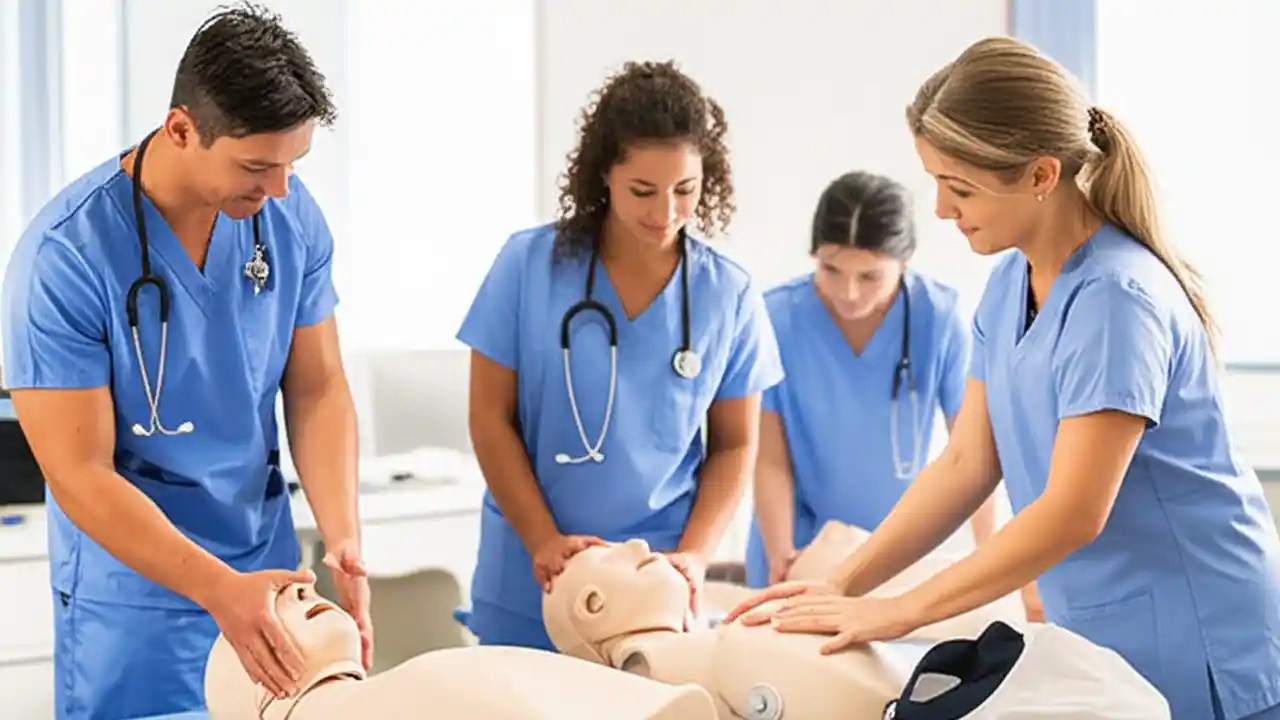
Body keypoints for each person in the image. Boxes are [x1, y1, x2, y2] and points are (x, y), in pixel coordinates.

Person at [723, 36, 1280, 720]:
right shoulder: (1007, 285)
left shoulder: (1116, 299)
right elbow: (965, 462)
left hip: (1198, 632)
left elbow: (1074, 510)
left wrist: (898, 613)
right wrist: (841, 585)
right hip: (1106, 632)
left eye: (958, 187)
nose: (940, 210)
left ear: (1042, 175)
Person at [0, 6, 372, 718]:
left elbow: (319, 387)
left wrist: (343, 536)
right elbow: (77, 473)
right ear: (180, 130)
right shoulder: (64, 257)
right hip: (139, 600)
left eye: (292, 165)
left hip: (266, 572)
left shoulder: (287, 217)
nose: (280, 191)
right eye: (257, 166)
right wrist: (215, 588)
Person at [457, 59, 784, 651]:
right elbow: (488, 418)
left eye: (685, 190)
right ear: (603, 174)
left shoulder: (726, 293)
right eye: (643, 190)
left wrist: (693, 557)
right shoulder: (527, 267)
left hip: (652, 592)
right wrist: (542, 543)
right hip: (532, 577)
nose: (665, 213)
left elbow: (735, 443)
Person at [742, 170, 1042, 618]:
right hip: (798, 541)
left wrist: (991, 562)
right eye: (831, 270)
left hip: (894, 548)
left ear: (903, 263)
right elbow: (769, 457)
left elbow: (974, 453)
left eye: (870, 277)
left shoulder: (938, 318)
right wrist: (781, 552)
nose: (848, 292)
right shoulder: (777, 317)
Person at [204, 582, 718, 720]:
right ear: (257, 691)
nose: (305, 585)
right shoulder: (433, 682)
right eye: (272, 613)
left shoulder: (434, 678)